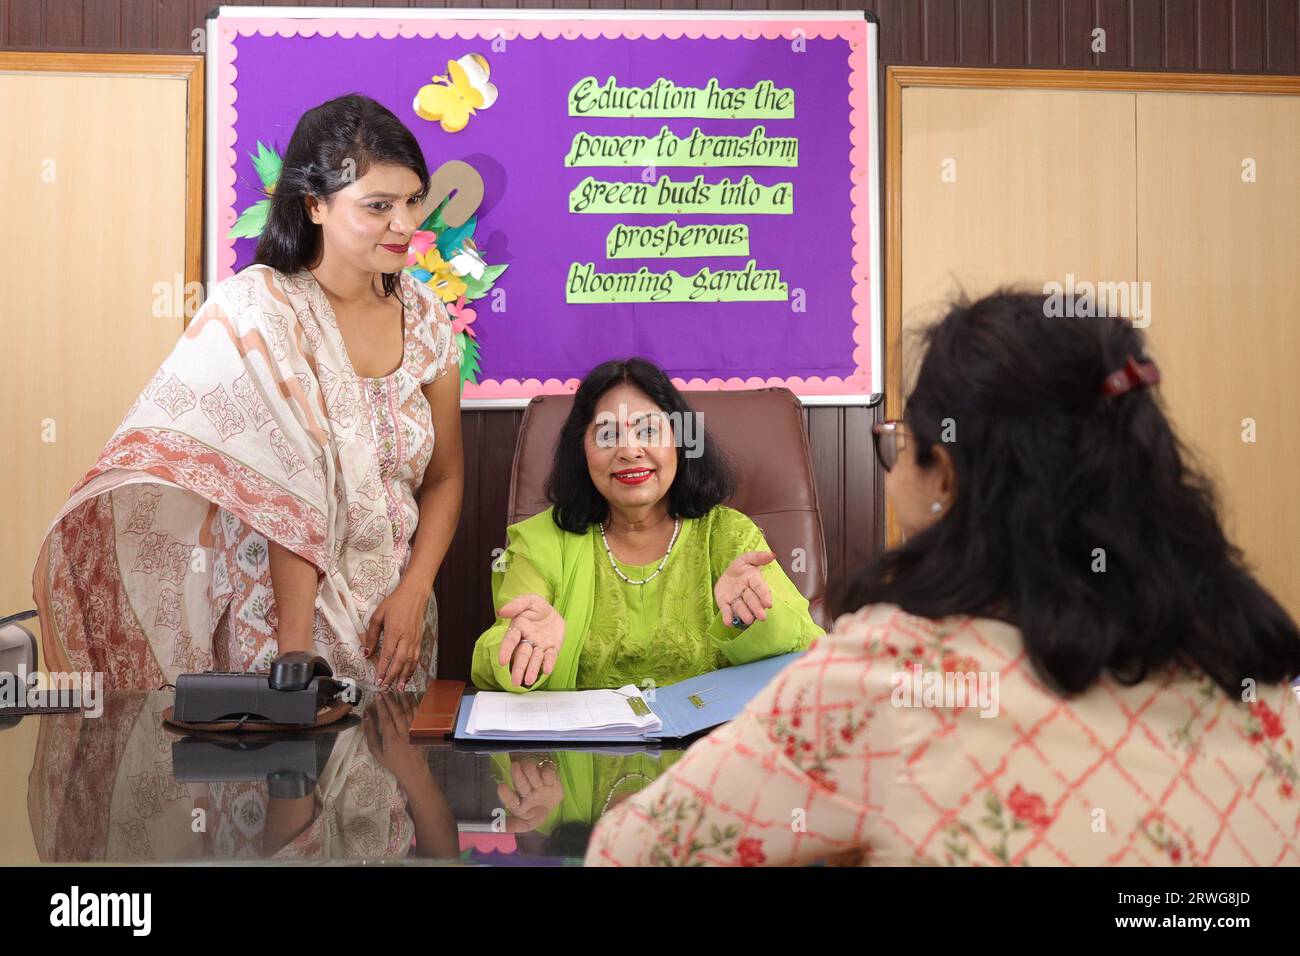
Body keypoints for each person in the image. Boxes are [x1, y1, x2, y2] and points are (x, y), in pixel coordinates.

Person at [587, 290, 1300, 866]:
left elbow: (632, 851)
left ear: (946, 471)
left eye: (901, 445)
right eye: (608, 433)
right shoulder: (1260, 669)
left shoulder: (890, 671)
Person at [32, 94, 463, 694]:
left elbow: (445, 477)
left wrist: (416, 591)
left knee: (396, 781)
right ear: (315, 205)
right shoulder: (258, 312)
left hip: (397, 626)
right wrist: (295, 661)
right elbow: (279, 492)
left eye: (413, 199)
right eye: (379, 206)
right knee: (288, 781)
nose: (406, 224)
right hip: (282, 638)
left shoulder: (426, 318)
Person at [471, 357, 823, 692]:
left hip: (708, 750)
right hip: (576, 752)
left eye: (648, 431)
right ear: (582, 452)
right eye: (607, 435)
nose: (629, 450)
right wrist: (520, 649)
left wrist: (749, 618)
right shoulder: (540, 542)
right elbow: (496, 655)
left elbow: (807, 648)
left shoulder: (730, 536)